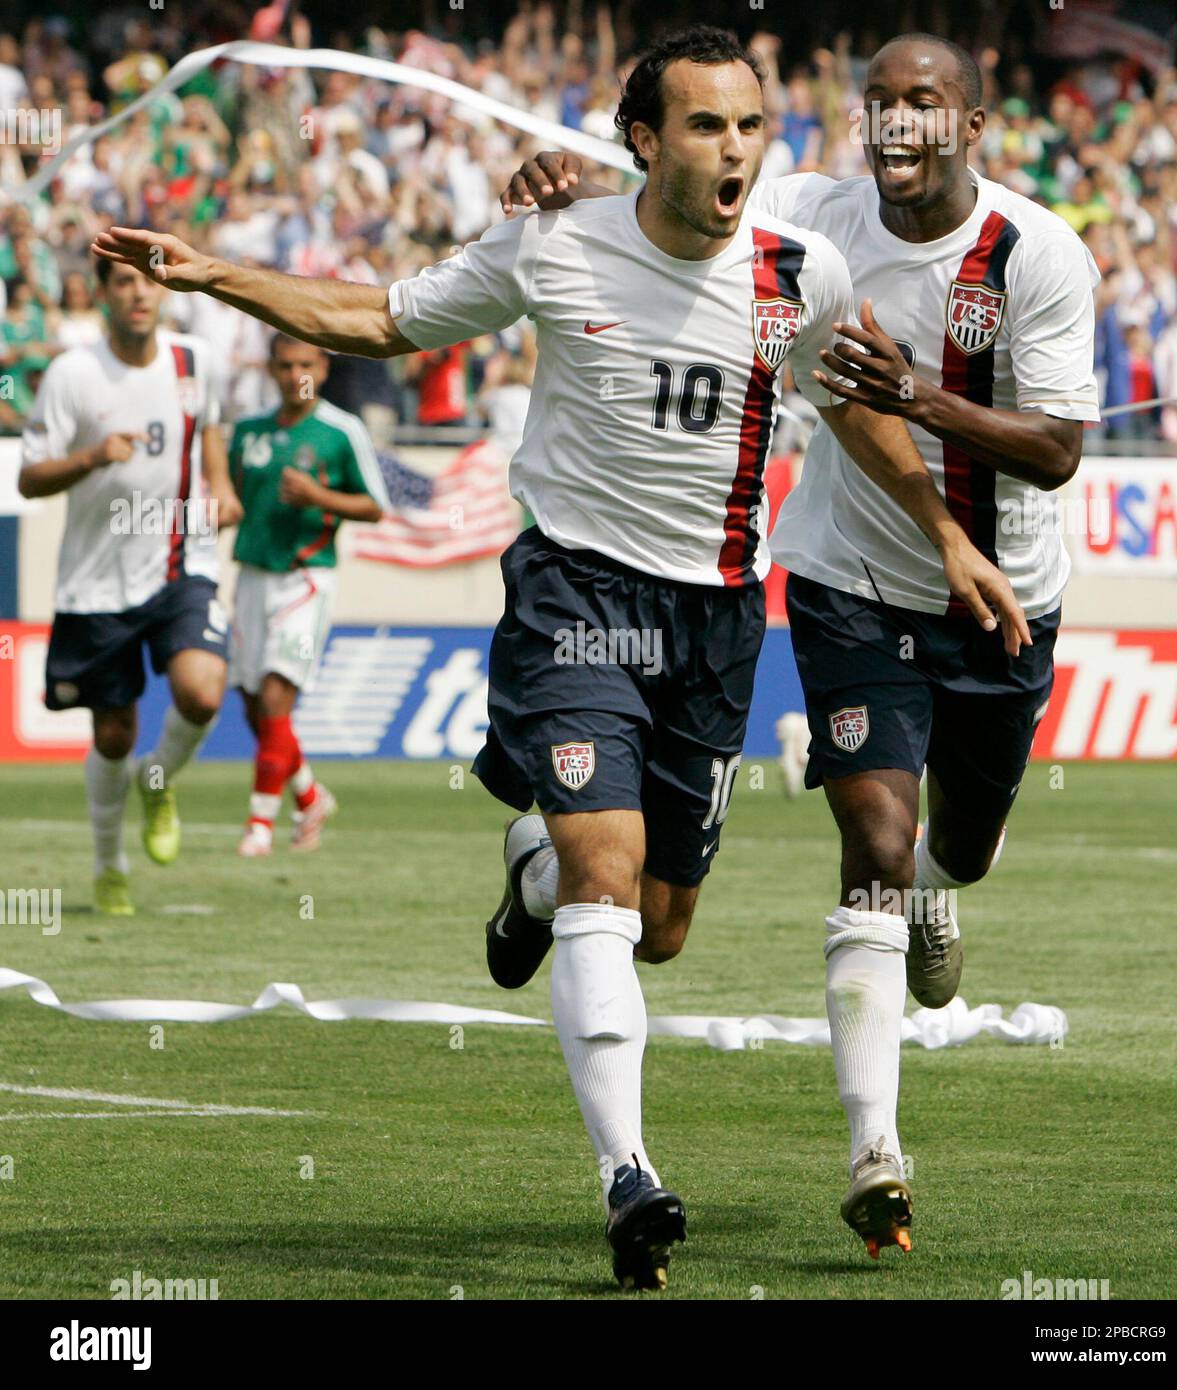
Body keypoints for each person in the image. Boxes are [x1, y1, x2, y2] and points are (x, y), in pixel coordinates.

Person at [91, 25, 1026, 1289]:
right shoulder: (553, 241)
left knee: (660, 925)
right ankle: (627, 1176)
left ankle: (528, 874)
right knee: (609, 868)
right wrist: (215, 274)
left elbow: (852, 407)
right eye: (704, 125)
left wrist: (947, 538)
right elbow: (379, 315)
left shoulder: (797, 271)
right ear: (643, 141)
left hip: (713, 622)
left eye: (750, 126)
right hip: (573, 596)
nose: (733, 148)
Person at [503, 30, 1099, 1258]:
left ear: (970, 125)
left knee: (952, 854)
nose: (895, 123)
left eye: (922, 104)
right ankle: (875, 1145)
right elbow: (661, 196)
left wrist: (915, 396)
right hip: (844, 577)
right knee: (873, 841)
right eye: (877, 102)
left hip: (1000, 595)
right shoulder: (798, 209)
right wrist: (560, 189)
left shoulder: (1040, 253)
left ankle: (934, 894)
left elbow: (1052, 451)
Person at [18, 255, 241, 915]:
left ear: (164, 288)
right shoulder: (73, 373)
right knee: (113, 734)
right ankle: (108, 863)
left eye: (150, 279)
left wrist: (222, 487)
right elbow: (29, 477)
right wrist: (91, 456)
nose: (140, 292)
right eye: (124, 281)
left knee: (201, 691)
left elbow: (211, 434)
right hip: (96, 583)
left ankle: (159, 780)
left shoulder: (194, 360)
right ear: (103, 293)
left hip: (181, 561)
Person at [228, 333, 386, 856]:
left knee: (277, 695)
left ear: (322, 367)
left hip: (307, 578)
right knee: (255, 707)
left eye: (306, 364)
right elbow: (227, 493)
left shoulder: (342, 431)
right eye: (284, 364)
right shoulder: (248, 431)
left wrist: (318, 496)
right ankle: (311, 796)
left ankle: (259, 825)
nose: (296, 373)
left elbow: (375, 505)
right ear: (271, 370)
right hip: (251, 576)